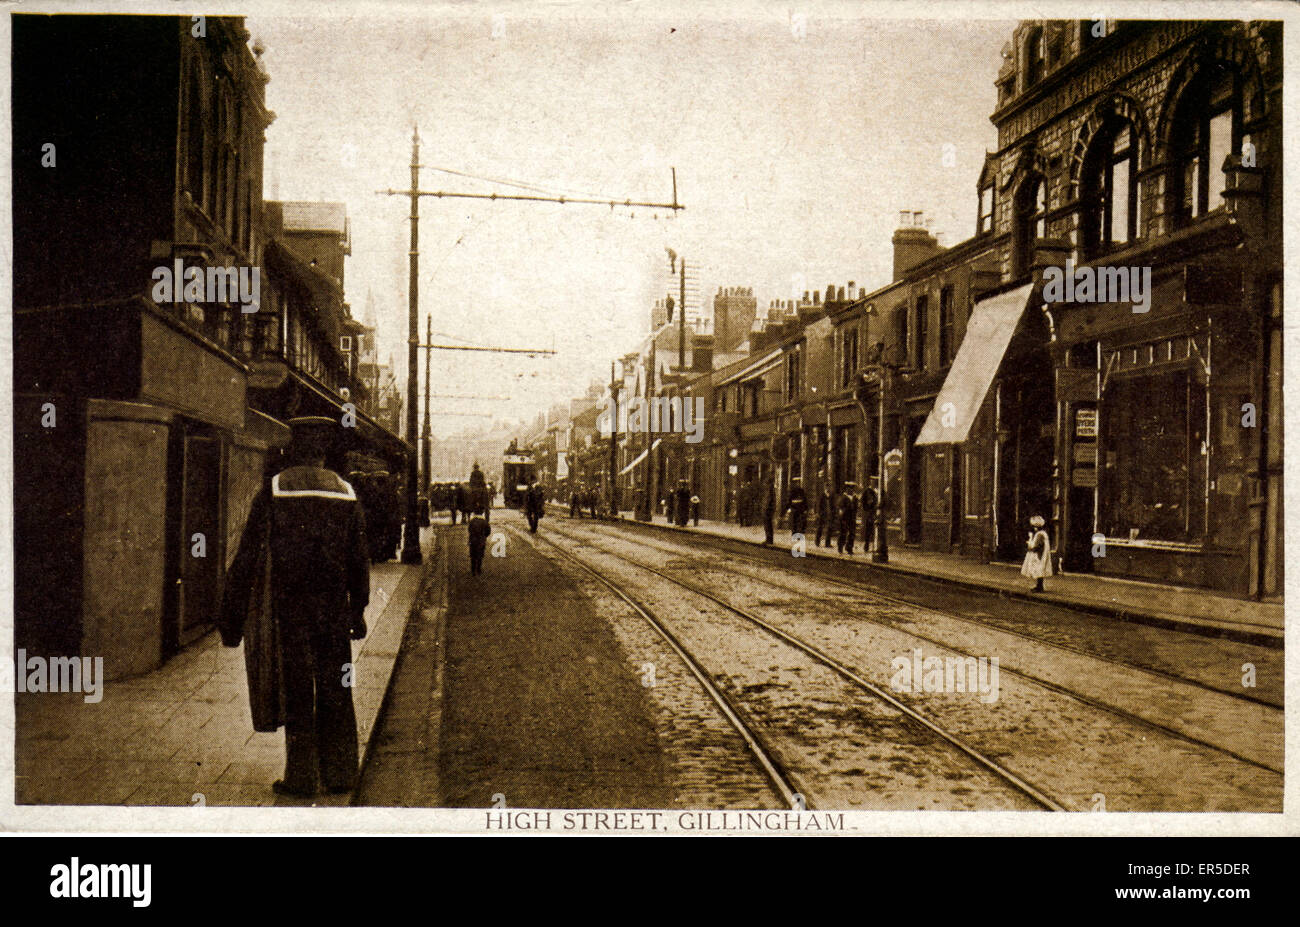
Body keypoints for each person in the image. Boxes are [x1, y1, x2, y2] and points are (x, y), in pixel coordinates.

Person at [220, 416, 370, 799]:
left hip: (290, 608)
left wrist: (231, 620)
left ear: (292, 448)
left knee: (299, 689)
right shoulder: (346, 492)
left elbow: (248, 555)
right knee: (337, 686)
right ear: (324, 452)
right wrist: (358, 610)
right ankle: (339, 774)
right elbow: (358, 559)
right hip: (334, 608)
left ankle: (301, 777)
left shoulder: (275, 489)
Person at [467, 475, 492, 576]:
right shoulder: (485, 490)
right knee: (480, 555)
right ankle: (479, 569)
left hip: (473, 541)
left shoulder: (472, 521)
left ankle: (473, 570)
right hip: (481, 540)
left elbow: (469, 529)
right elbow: (488, 531)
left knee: (473, 555)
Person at [1022, 515, 1053, 592]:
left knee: (1038, 570)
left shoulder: (1039, 534)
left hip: (1039, 556)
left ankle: (1039, 587)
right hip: (1041, 555)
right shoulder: (1042, 534)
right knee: (1040, 570)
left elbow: (1038, 546)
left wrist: (1031, 547)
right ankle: (1039, 586)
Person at [837, 480, 860, 555]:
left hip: (852, 518)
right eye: (849, 488)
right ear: (846, 489)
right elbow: (840, 509)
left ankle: (849, 548)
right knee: (843, 533)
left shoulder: (854, 498)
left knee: (852, 534)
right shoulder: (843, 498)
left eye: (852, 488)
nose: (851, 490)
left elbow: (856, 507)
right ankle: (840, 547)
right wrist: (842, 518)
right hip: (844, 519)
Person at [815, 473, 834, 549]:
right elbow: (817, 505)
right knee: (820, 528)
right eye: (827, 487)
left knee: (829, 528)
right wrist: (817, 513)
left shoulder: (832, 496)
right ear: (824, 488)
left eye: (829, 487)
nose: (828, 488)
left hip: (829, 514)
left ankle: (827, 543)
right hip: (822, 514)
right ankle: (817, 541)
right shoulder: (821, 495)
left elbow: (833, 506)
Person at [762, 476, 777, 545]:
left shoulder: (769, 490)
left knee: (768, 525)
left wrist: (765, 508)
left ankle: (769, 539)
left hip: (768, 510)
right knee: (768, 525)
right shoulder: (770, 489)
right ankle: (769, 539)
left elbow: (768, 500)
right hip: (768, 509)